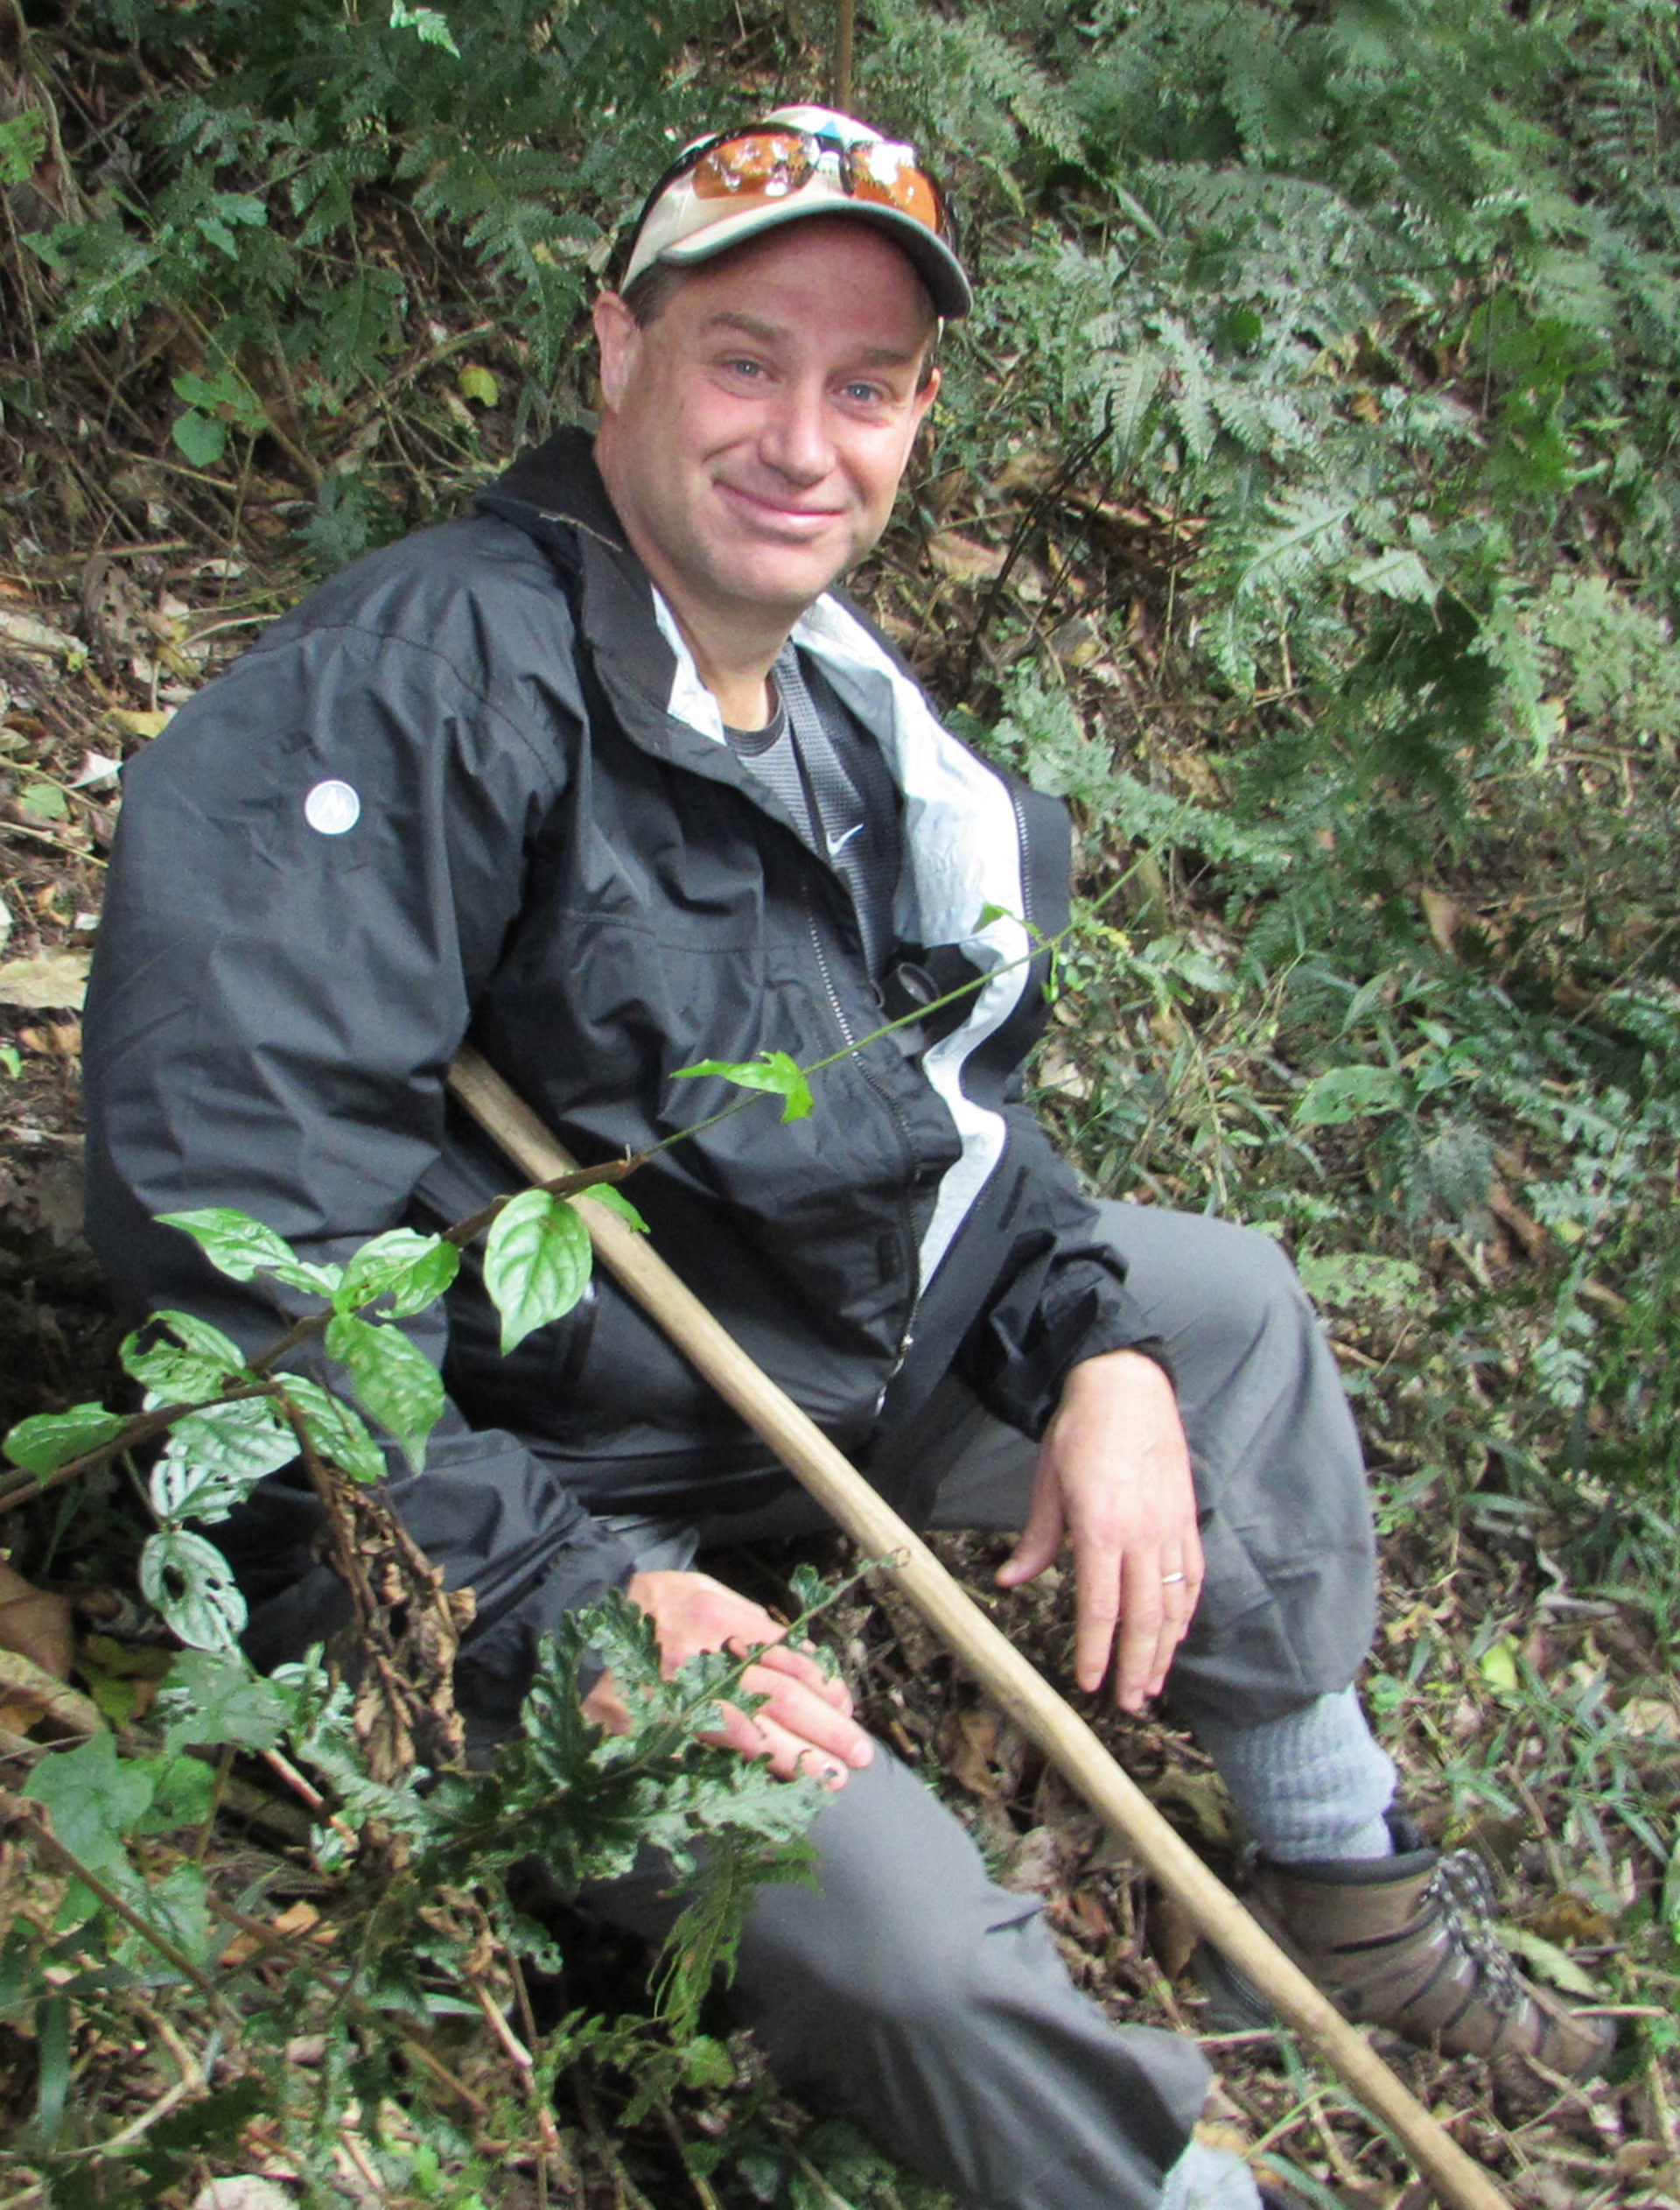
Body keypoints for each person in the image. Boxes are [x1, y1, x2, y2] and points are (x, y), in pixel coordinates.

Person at [82, 105, 1611, 2210]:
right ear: (612, 349)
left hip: (767, 1374)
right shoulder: (428, 685)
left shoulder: (865, 723)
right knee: (893, 1923)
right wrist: (579, 1596)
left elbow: (965, 1118)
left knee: (1215, 1312)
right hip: (476, 1499)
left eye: (865, 387)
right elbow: (226, 1230)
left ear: (916, 422)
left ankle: (1338, 1879)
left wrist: (1093, 1348)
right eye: (743, 359)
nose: (805, 439)